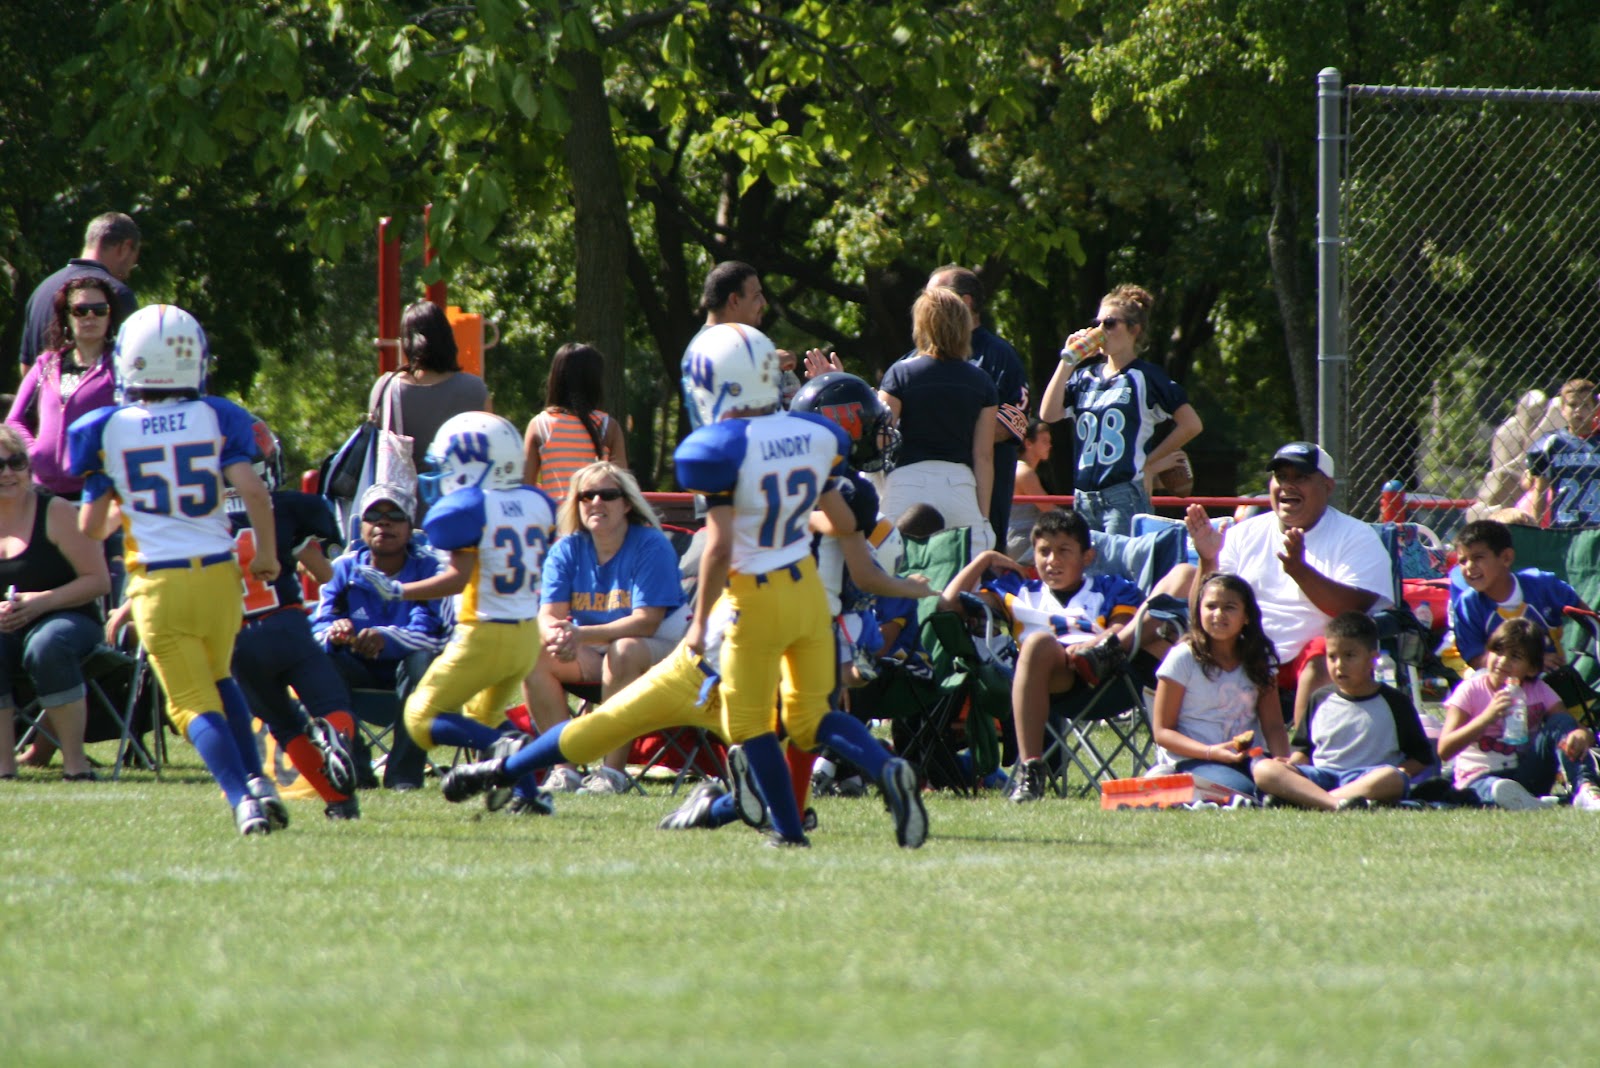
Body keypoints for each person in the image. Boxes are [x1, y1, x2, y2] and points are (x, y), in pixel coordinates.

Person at [441, 362, 936, 845]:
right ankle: (752, 805)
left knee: (643, 730)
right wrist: (907, 587)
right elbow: (848, 539)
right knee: (797, 736)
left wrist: (697, 625)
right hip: (803, 624)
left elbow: (719, 549)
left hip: (726, 646)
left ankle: (772, 822)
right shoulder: (829, 464)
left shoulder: (732, 452)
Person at [68, 305, 289, 835]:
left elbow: (92, 527)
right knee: (219, 678)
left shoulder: (109, 428)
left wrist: (130, 507)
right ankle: (257, 779)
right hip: (217, 576)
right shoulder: (215, 414)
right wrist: (266, 555)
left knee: (188, 703)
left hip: (159, 582)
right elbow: (254, 490)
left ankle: (242, 800)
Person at [353, 412, 557, 809]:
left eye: (445, 464)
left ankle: (504, 745)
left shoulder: (472, 508)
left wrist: (399, 591)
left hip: (485, 633)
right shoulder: (536, 501)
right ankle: (527, 795)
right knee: (482, 714)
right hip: (525, 636)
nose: (439, 473)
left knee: (420, 716)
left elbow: (457, 579)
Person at [939, 507, 1191, 802]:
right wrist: (985, 559)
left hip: (1110, 675)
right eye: (1043, 551)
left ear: (1087, 557)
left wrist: (1097, 646)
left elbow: (1122, 628)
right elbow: (948, 606)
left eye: (1063, 551)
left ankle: (1099, 654)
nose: (1052, 561)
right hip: (1050, 677)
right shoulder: (1017, 590)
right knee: (1036, 644)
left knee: (1183, 574)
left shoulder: (1110, 586)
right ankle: (1031, 769)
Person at [1185, 441, 1393, 727]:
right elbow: (1202, 613)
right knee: (1185, 645)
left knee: (1328, 654)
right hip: (1244, 652)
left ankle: (1302, 754)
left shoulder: (1356, 537)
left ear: (1328, 486)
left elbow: (1353, 610)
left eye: (1301, 478)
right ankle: (1183, 750)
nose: (1288, 486)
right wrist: (1207, 561)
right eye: (1281, 477)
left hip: (1306, 662)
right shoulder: (1244, 533)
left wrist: (1299, 570)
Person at [520, 461, 687, 794]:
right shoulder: (566, 548)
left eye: (607, 495)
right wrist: (558, 635)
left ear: (626, 504)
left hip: (662, 654)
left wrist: (579, 634)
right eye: (586, 496)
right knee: (530, 654)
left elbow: (646, 621)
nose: (596, 503)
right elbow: (548, 614)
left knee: (624, 649)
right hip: (599, 651)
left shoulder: (650, 545)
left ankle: (612, 774)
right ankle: (563, 769)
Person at [310, 482, 448, 791]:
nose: (383, 522)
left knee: (422, 661)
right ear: (361, 526)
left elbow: (433, 637)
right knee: (316, 661)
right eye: (374, 515)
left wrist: (385, 638)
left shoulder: (431, 570)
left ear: (410, 526)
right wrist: (335, 633)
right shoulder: (343, 569)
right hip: (357, 669)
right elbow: (317, 627)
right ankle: (355, 767)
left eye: (395, 515)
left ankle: (404, 776)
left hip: (411, 674)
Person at [1040, 284, 1202, 535]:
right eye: (1097, 323)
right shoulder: (1085, 376)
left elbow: (1191, 424)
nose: (1100, 331)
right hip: (1083, 497)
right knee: (1091, 573)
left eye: (1109, 323)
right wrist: (1067, 360)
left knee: (1122, 572)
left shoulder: (1145, 376)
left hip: (1123, 495)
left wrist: (1150, 461)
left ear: (1134, 330)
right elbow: (1048, 414)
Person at [0, 427, 112, 781]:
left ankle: (75, 764)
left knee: (47, 644)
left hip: (70, 617)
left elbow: (98, 580)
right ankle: (4, 765)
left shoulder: (57, 511)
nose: (7, 472)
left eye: (15, 462)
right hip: (6, 624)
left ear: (28, 467)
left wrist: (41, 601)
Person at [1252, 611, 1433, 810]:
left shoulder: (1395, 701)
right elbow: (1304, 751)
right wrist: (1290, 764)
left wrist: (1400, 773)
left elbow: (1421, 757)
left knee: (1392, 777)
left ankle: (1313, 801)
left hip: (1367, 778)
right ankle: (1334, 802)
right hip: (1322, 775)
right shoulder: (1320, 698)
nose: (1339, 665)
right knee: (1264, 768)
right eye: (1332, 657)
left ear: (1372, 659)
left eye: (1349, 656)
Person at [1146, 572, 1292, 801]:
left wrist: (1284, 761)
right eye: (1211, 606)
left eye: (1230, 607)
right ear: (1198, 612)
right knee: (1245, 789)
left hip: (1250, 756)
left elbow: (1273, 725)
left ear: (1246, 616)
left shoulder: (1257, 658)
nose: (1218, 614)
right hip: (1195, 758)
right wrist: (1211, 752)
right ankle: (1170, 780)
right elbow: (1162, 731)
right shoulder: (1183, 657)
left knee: (1290, 781)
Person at [877, 287, 999, 556]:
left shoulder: (900, 374)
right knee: (962, 582)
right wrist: (983, 517)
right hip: (959, 484)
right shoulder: (982, 381)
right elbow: (984, 456)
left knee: (891, 574)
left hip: (906, 482)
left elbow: (879, 438)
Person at [1438, 617, 1600, 810]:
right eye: (1497, 651)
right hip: (1480, 777)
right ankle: (1523, 801)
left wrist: (1582, 735)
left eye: (1515, 657)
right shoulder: (1471, 690)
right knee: (1495, 788)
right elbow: (1444, 750)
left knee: (1561, 721)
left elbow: (1569, 726)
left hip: (1526, 774)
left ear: (1532, 668)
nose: (1503, 661)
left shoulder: (1538, 690)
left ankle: (1585, 788)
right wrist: (1486, 718)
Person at [924, 266, 1030, 549]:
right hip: (928, 488)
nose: (926, 304)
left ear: (966, 302)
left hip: (984, 494)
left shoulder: (999, 355)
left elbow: (1013, 421)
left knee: (982, 569)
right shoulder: (914, 360)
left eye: (935, 296)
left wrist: (943, 433)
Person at [7, 277, 125, 499]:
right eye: (81, 310)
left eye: (99, 309)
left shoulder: (120, 368)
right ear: (67, 317)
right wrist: (35, 453)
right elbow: (15, 420)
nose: (90, 316)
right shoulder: (47, 364)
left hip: (96, 492)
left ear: (110, 317)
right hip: (41, 491)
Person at [368, 300, 490, 509]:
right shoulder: (475, 389)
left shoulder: (387, 388)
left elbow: (373, 445)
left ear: (407, 343)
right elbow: (490, 448)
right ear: (447, 338)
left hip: (399, 512)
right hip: (463, 510)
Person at [1447, 518, 1588, 674]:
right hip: (1499, 681)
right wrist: (1529, 664)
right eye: (1463, 561)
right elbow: (1475, 659)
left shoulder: (1542, 585)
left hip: (1550, 680)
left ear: (1506, 558)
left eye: (1478, 558)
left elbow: (1589, 619)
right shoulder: (1468, 605)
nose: (1469, 567)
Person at [18, 213, 139, 369]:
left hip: (42, 391)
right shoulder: (118, 294)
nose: (129, 271)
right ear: (125, 248)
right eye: (134, 260)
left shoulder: (41, 290)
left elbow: (26, 367)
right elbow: (131, 365)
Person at [521, 343, 628, 503]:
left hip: (555, 522)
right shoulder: (608, 426)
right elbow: (622, 487)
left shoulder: (539, 425)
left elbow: (525, 488)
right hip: (595, 521)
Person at [1525, 378, 1600, 528]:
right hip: (1564, 528)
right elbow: (1540, 491)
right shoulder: (1550, 443)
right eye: (1572, 405)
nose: (1578, 410)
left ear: (1595, 408)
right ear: (1562, 408)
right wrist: (1534, 530)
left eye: (1585, 405)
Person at [1007, 419, 1053, 561]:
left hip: (1019, 539)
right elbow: (1050, 509)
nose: (1049, 446)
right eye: (1044, 441)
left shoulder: (1019, 469)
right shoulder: (1024, 472)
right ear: (1028, 443)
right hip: (1023, 542)